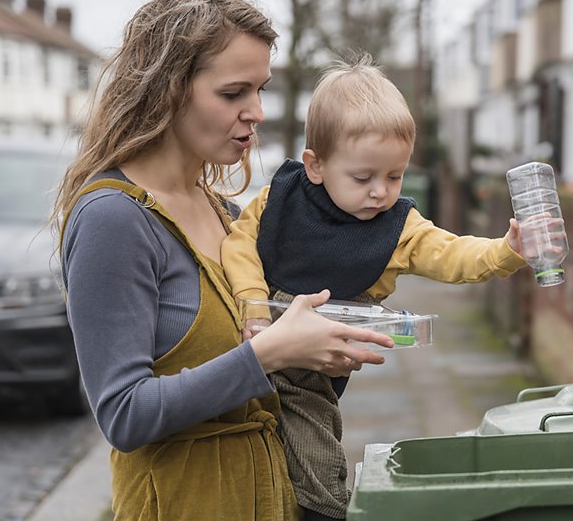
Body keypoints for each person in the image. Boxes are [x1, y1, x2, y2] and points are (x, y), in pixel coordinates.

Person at [51, 0, 392, 520]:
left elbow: (262, 391)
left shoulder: (227, 215)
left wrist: (319, 351)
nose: (255, 111)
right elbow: (123, 415)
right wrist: (270, 353)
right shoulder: (115, 219)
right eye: (234, 93)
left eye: (260, 89)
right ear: (167, 90)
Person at [221, 54, 529, 521]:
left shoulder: (398, 227)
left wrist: (507, 249)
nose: (380, 192)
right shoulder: (279, 197)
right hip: (251, 341)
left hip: (308, 377)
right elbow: (239, 246)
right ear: (315, 165)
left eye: (395, 176)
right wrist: (254, 310)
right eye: (363, 177)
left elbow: (454, 255)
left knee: (319, 469)